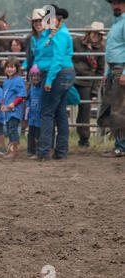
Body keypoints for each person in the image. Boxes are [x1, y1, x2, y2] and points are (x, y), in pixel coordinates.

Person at [33, 4, 75, 161]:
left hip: (56, 74)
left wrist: (49, 80)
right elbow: (40, 52)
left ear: (57, 19)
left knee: (47, 113)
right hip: (63, 74)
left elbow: (57, 60)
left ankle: (44, 151)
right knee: (60, 113)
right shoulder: (54, 34)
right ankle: (60, 151)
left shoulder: (58, 35)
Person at [72, 21, 106, 147]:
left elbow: (100, 71)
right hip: (72, 78)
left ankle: (84, 138)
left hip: (87, 81)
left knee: (85, 110)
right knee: (61, 105)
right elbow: (68, 56)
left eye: (99, 34)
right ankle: (59, 136)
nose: (96, 36)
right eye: (94, 33)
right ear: (89, 32)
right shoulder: (76, 42)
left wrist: (94, 90)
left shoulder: (101, 49)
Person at [98, 0, 125, 157]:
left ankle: (120, 147)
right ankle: (119, 145)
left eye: (119, 3)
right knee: (115, 107)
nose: (116, 6)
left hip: (120, 67)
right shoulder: (117, 23)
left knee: (118, 108)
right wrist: (107, 72)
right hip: (114, 68)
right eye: (114, 3)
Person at [1, 57, 27, 159]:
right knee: (9, 129)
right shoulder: (6, 81)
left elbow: (21, 95)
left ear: (16, 68)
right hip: (7, 110)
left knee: (13, 129)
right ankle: (10, 149)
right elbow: (4, 95)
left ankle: (14, 151)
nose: (9, 69)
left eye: (12, 67)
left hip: (15, 110)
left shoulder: (19, 80)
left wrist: (13, 103)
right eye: (8, 67)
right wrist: (3, 104)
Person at [26, 65, 42, 159]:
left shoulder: (42, 89)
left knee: (38, 134)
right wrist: (27, 109)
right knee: (30, 133)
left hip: (39, 116)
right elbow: (29, 99)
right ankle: (30, 150)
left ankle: (37, 151)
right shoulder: (31, 88)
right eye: (34, 76)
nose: (36, 78)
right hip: (32, 115)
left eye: (38, 76)